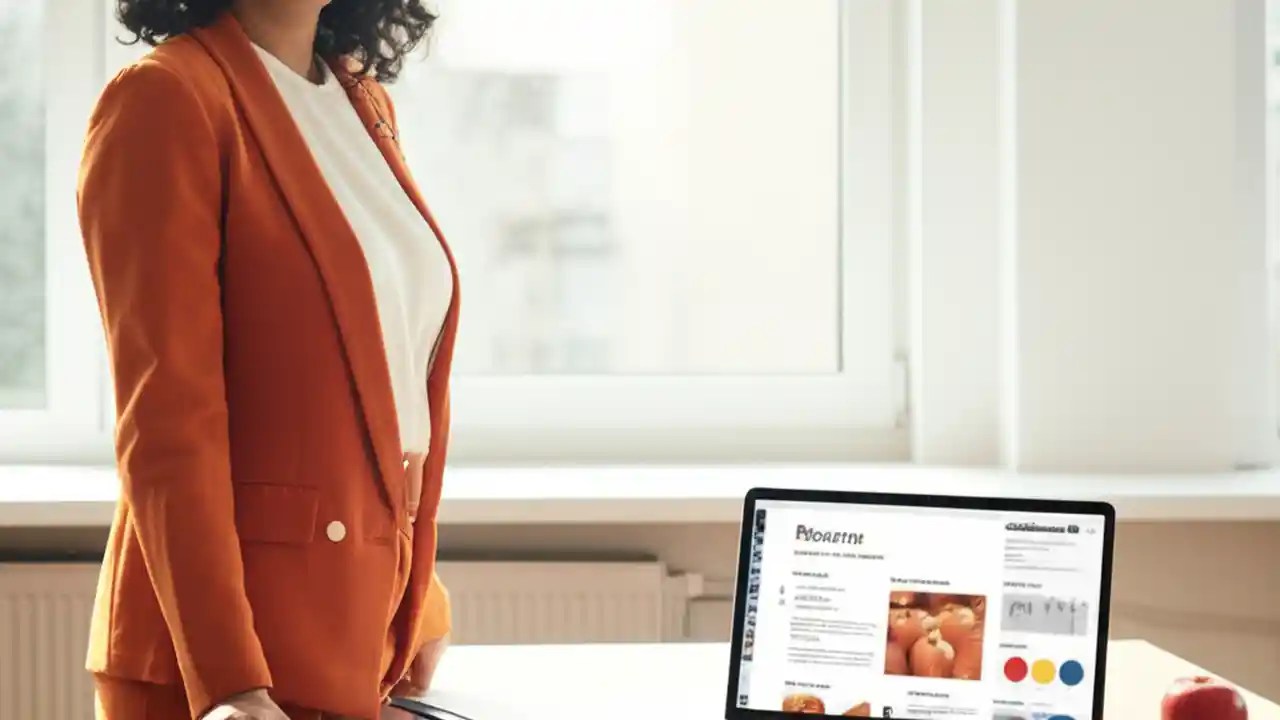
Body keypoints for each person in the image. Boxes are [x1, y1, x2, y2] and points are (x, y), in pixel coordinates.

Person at [78, 1, 459, 717]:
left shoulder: (358, 97)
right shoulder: (164, 99)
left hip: (351, 626)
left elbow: (373, 374)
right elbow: (166, 424)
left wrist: (416, 596)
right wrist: (229, 683)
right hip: (225, 666)